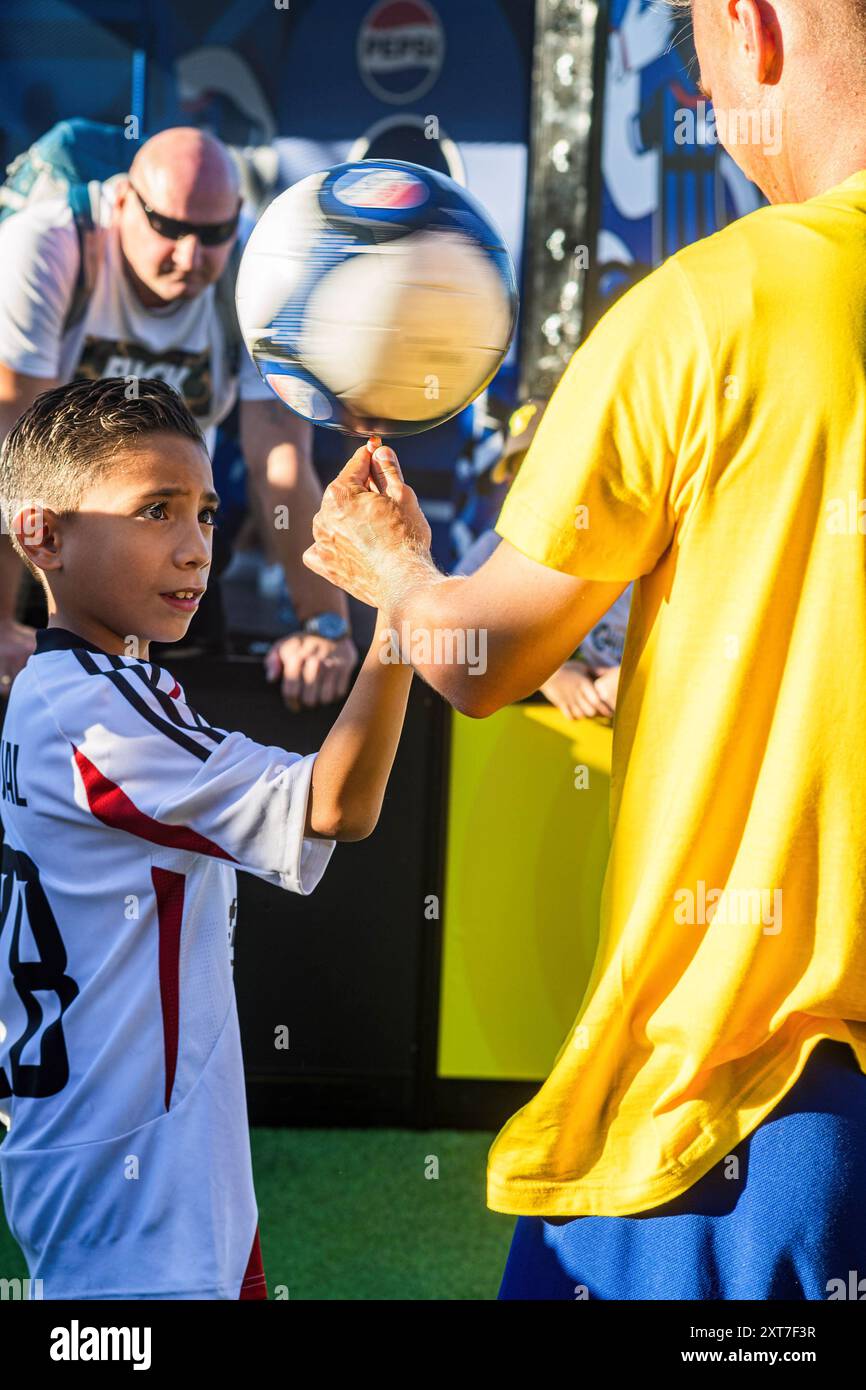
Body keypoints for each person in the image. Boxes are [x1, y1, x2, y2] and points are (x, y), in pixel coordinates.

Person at [299, 0, 866, 1299]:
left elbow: (479, 657)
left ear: (751, 27)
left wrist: (392, 566)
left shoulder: (710, 308)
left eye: (695, 54)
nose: (704, 90)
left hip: (737, 1115)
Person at [0, 377, 420, 1299]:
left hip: (126, 1157)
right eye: (155, 511)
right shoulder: (98, 715)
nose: (196, 549)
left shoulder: (69, 688)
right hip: (136, 1188)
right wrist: (401, 608)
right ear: (43, 534)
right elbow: (336, 806)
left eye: (205, 512)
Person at [0, 126, 356, 710]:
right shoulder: (51, 245)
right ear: (122, 202)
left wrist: (325, 627)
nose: (190, 256)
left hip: (170, 540)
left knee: (177, 743)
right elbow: (9, 443)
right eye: (168, 227)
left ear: (237, 219)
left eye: (213, 234)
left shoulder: (258, 273)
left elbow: (280, 456)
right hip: (44, 550)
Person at [454, 396, 631, 722]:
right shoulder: (499, 542)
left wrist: (637, 677)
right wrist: (548, 675)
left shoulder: (636, 531)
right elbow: (450, 631)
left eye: (535, 468)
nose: (521, 485)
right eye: (515, 471)